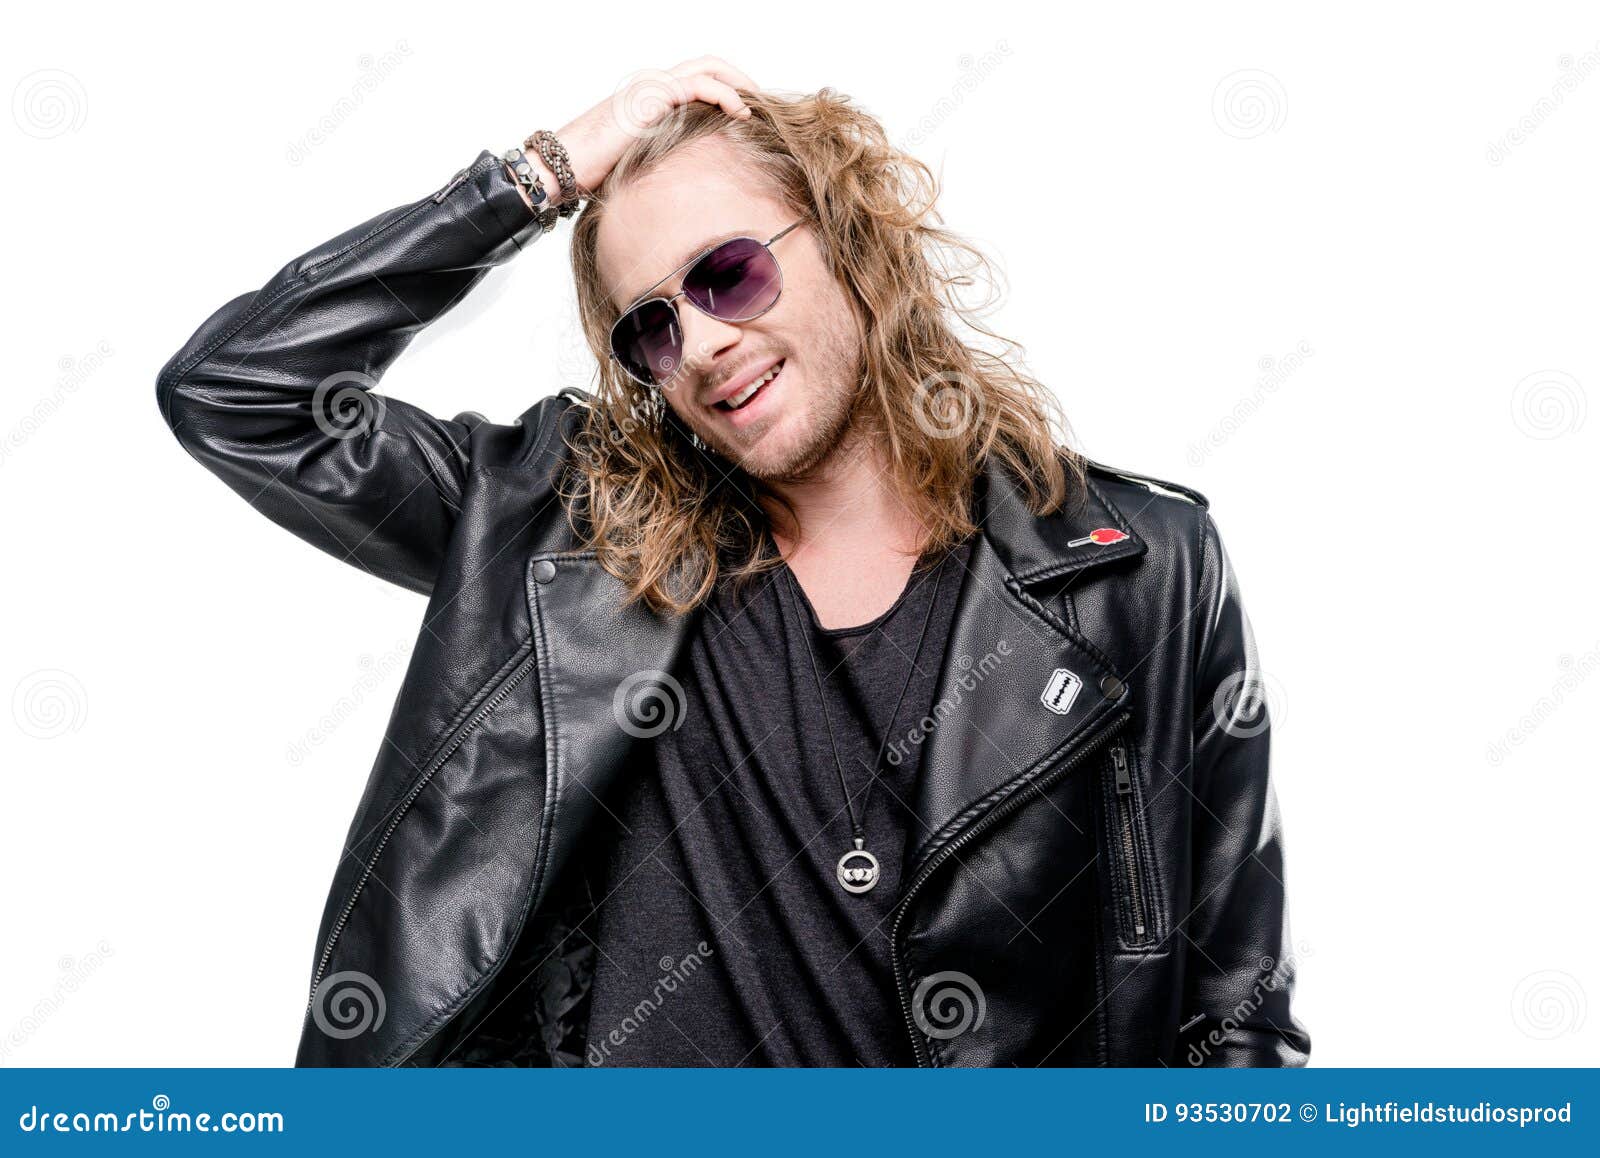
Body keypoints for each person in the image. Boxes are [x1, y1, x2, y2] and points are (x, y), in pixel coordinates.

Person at [156, 56, 1309, 1067]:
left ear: (851, 243)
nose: (702, 343)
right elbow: (238, 394)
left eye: (729, 274)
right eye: (650, 326)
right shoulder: (561, 530)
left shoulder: (1135, 568)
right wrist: (541, 175)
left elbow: (1233, 1017)